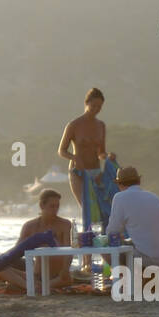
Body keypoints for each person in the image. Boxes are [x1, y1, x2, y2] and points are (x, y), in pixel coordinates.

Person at [0, 189, 75, 292]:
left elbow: (69, 251)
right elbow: (16, 251)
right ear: (42, 205)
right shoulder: (30, 226)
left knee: (67, 279)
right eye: (52, 206)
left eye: (57, 206)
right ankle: (33, 287)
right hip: (36, 275)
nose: (55, 209)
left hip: (58, 277)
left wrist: (65, 269)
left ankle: (30, 287)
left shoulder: (64, 224)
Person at [104, 165, 159, 269]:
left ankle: (124, 281)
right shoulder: (154, 197)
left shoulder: (120, 198)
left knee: (105, 248)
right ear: (139, 181)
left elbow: (111, 232)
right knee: (129, 244)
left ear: (119, 184)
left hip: (148, 261)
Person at [58, 88, 108, 223]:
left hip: (96, 171)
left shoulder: (101, 125)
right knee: (87, 207)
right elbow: (61, 151)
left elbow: (101, 153)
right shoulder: (74, 125)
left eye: (99, 107)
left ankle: (102, 237)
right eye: (94, 106)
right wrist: (75, 158)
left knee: (101, 208)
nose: (96, 109)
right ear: (86, 103)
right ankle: (88, 236)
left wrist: (108, 156)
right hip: (77, 172)